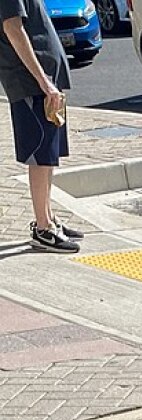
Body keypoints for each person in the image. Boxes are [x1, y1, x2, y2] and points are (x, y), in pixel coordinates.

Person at [0, 0, 84, 252]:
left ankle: (48, 216)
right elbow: (13, 29)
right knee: (40, 154)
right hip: (31, 84)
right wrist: (43, 81)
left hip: (44, 82)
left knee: (49, 154)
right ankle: (43, 228)